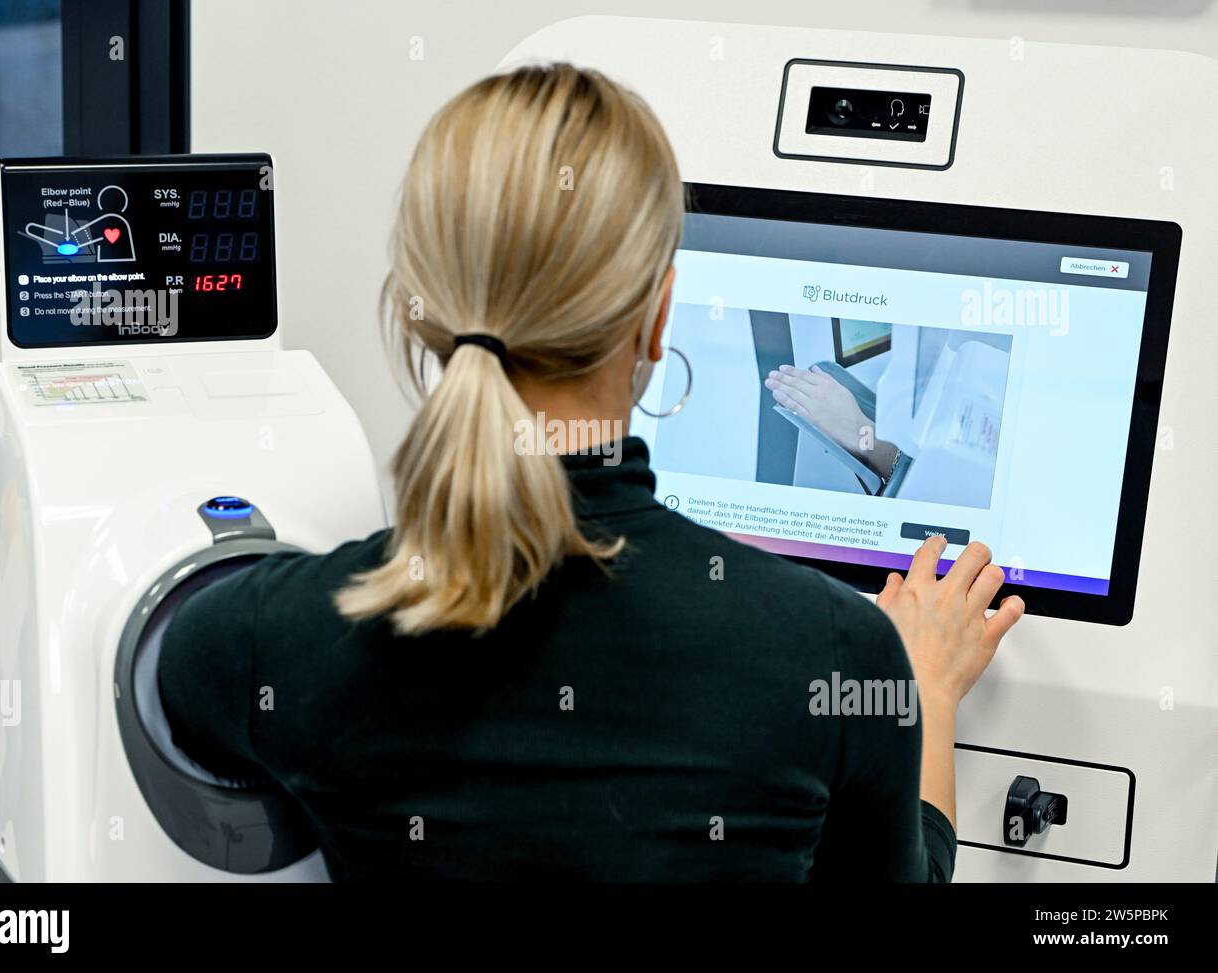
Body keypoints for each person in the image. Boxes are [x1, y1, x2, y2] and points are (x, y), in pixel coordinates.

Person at [158, 63, 1024, 881]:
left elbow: (188, 680)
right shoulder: (835, 653)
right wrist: (926, 690)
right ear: (657, 318)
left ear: (423, 312)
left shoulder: (277, 635)